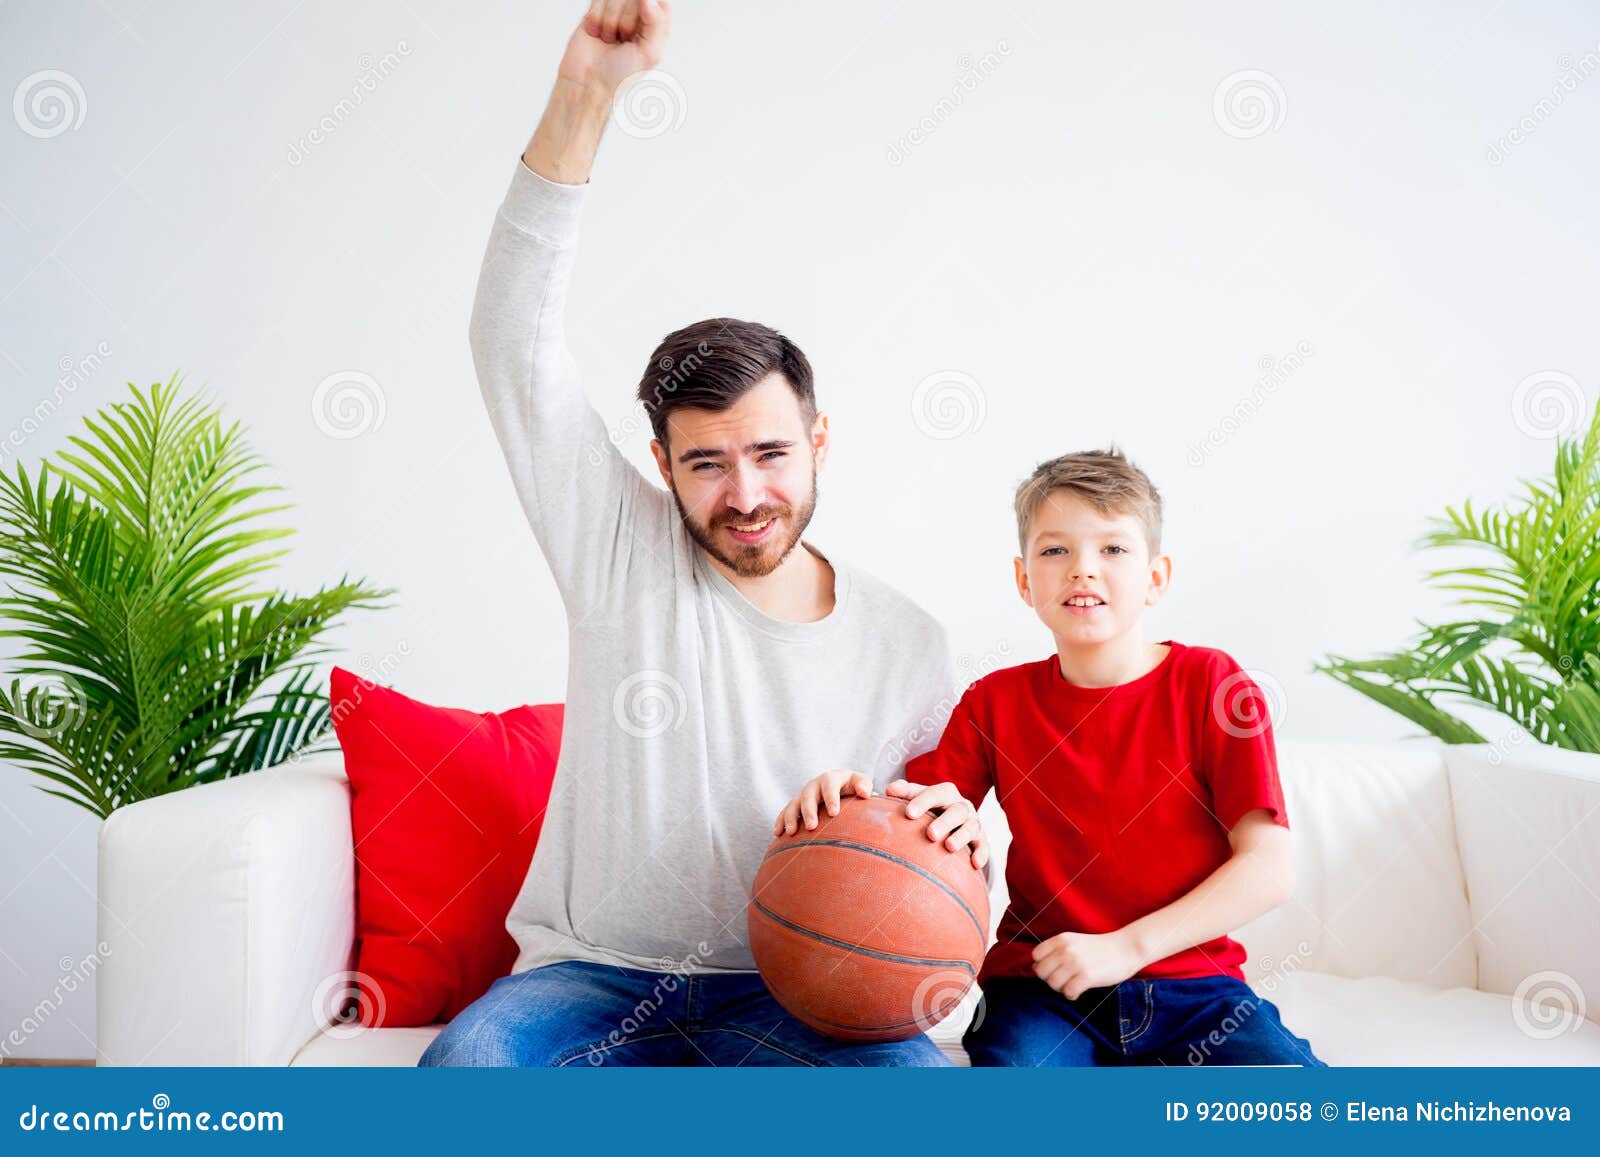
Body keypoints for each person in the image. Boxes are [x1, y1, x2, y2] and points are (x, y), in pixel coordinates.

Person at [420, 0, 968, 1067]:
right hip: (592, 975)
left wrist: (951, 834)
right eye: (708, 463)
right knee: (467, 1075)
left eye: (770, 453)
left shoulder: (911, 642)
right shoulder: (618, 547)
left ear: (819, 440)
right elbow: (510, 338)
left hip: (799, 983)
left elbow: (931, 869)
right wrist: (587, 94)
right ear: (662, 464)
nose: (746, 493)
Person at [899, 448, 1326, 1066]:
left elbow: (1269, 869)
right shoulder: (994, 701)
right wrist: (844, 794)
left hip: (1197, 993)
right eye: (1055, 550)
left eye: (1113, 549)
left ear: (1156, 577)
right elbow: (909, 826)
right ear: (1024, 580)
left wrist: (1127, 948)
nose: (1083, 570)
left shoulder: (1213, 685)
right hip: (1042, 991)